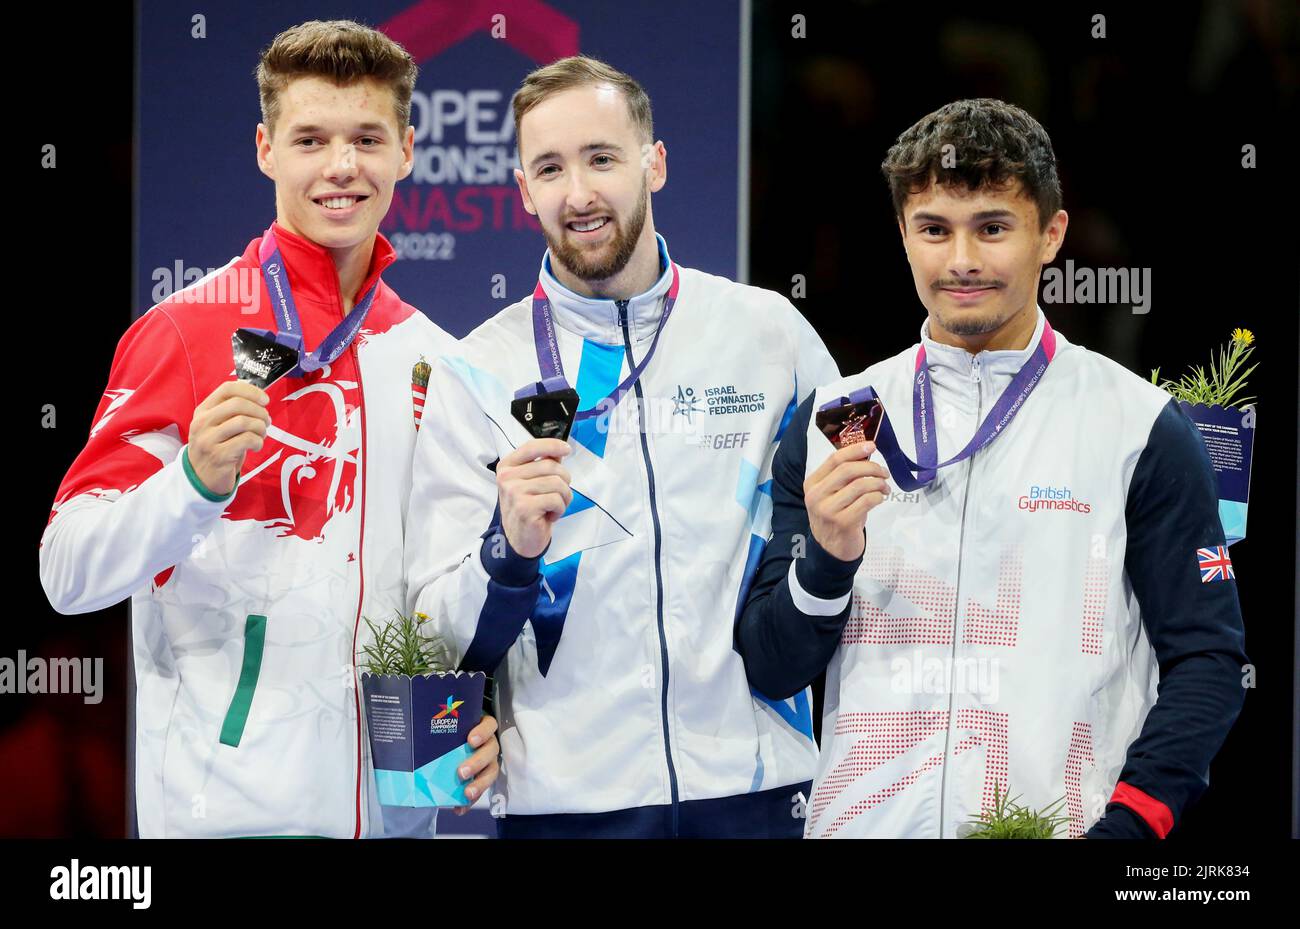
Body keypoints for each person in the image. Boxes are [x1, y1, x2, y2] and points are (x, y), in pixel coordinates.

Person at [736, 98, 1248, 839]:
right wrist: (826, 561)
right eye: (935, 230)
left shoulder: (1138, 428)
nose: (963, 261)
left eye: (993, 228)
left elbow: (1208, 658)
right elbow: (771, 669)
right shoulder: (831, 421)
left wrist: (1128, 830)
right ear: (903, 235)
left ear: (1051, 234)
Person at [39, 20, 499, 838]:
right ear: (265, 149)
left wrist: (477, 712)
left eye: (367, 138)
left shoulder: (435, 356)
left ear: (408, 151)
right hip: (227, 818)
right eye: (311, 138)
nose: (341, 166)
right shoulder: (183, 330)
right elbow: (68, 572)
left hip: (401, 817)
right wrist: (192, 486)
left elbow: (438, 600)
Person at [405, 56, 839, 837]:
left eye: (602, 158)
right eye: (551, 168)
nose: (579, 193)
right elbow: (433, 635)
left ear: (654, 162)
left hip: (761, 794)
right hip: (565, 809)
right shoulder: (475, 373)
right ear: (523, 189)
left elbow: (850, 561)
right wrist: (507, 549)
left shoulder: (770, 336)